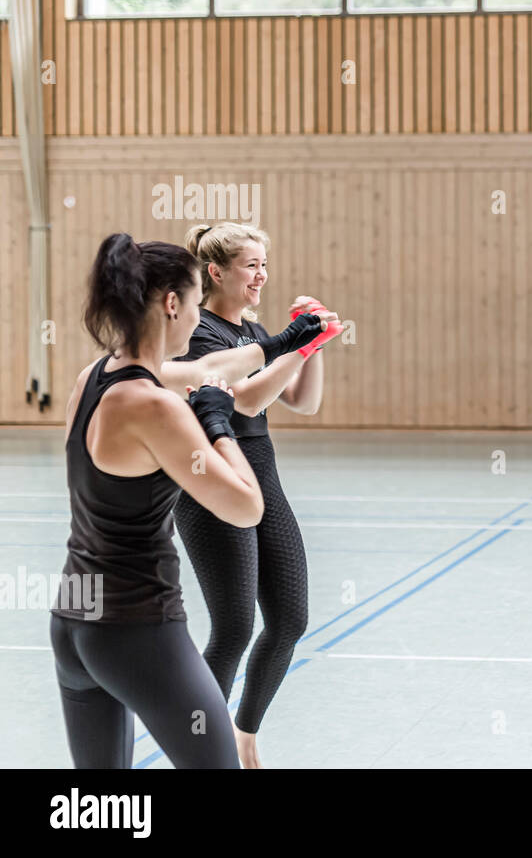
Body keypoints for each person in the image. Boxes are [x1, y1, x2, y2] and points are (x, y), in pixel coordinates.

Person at [50, 233, 323, 768]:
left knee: (102, 807)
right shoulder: (157, 408)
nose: (200, 320)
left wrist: (284, 342)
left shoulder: (94, 378)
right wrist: (219, 424)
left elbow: (204, 372)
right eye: (197, 305)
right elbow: (246, 505)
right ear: (172, 305)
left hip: (74, 620)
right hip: (136, 628)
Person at [172, 222, 341, 769]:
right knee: (235, 627)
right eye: (251, 265)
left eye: (264, 265)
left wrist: (309, 349)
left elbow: (301, 401)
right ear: (216, 272)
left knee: (290, 619)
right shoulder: (200, 334)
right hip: (212, 484)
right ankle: (199, 746)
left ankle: (244, 733)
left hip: (262, 475)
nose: (261, 275)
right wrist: (298, 344)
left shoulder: (254, 329)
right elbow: (242, 401)